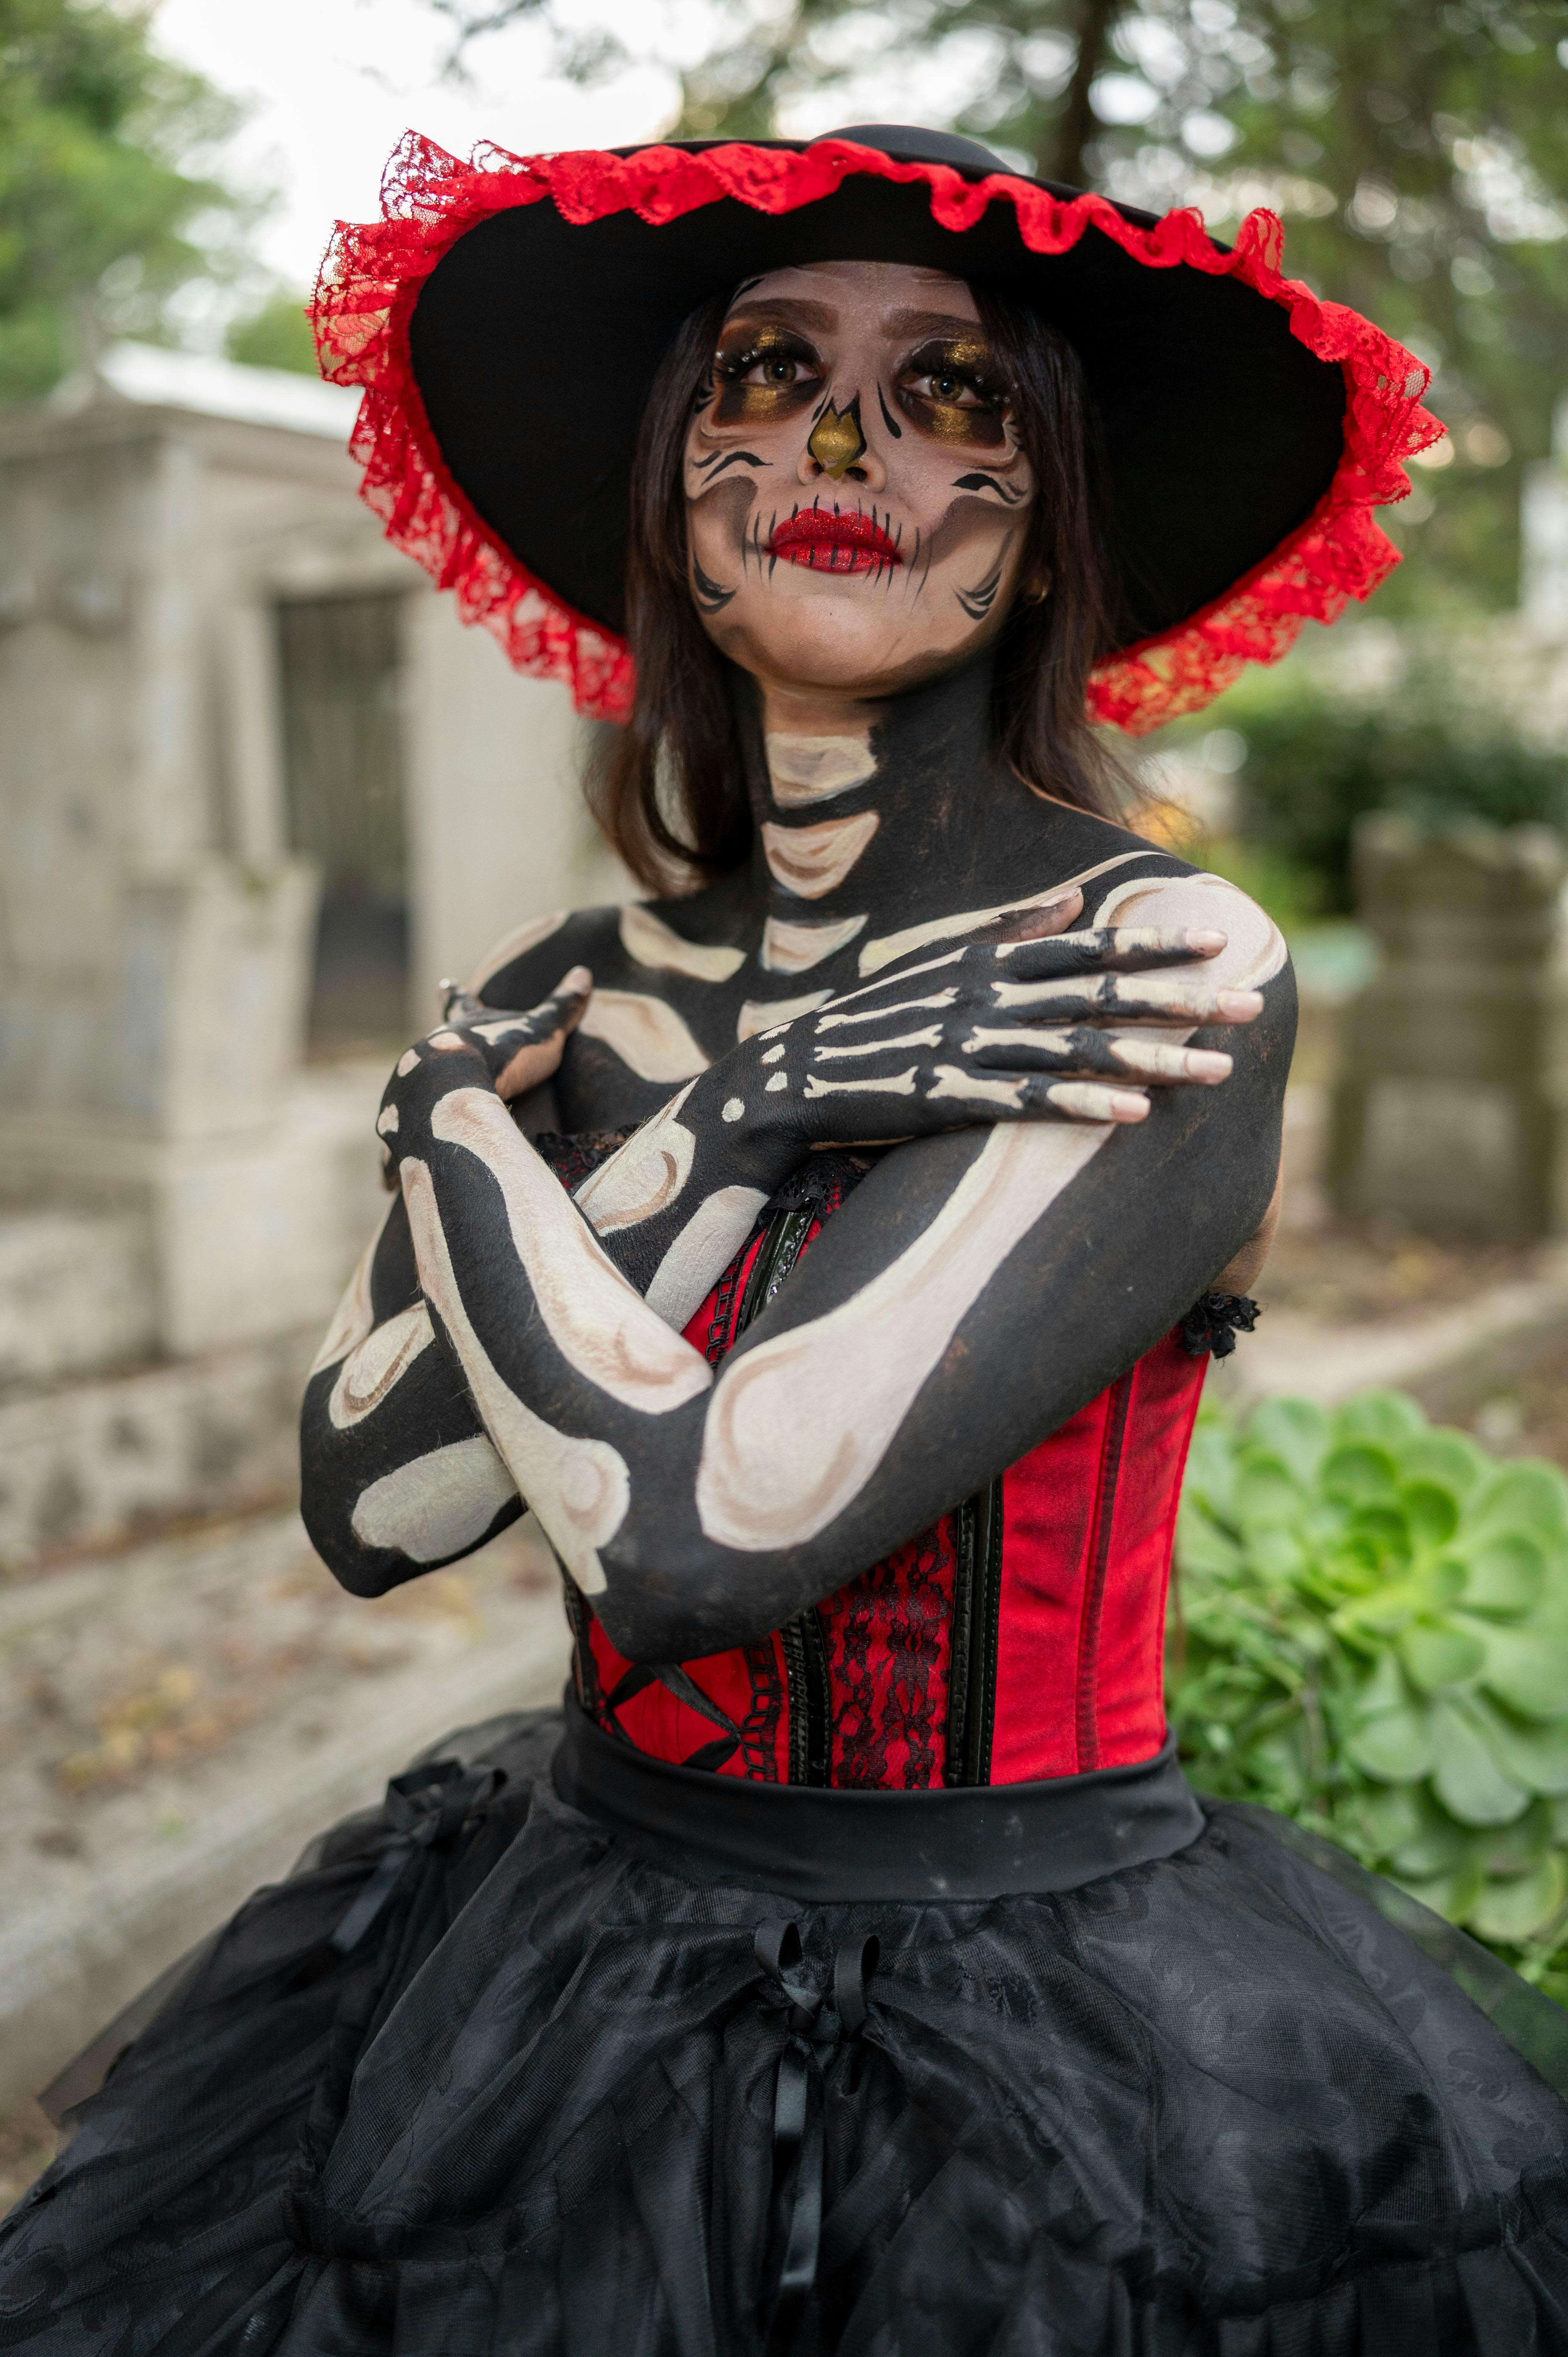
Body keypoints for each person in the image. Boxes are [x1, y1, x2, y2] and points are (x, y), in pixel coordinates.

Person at [5, 124, 1567, 2356]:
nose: (845, 441)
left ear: (1042, 540)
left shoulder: (1147, 958)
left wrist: (526, 1131)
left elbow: (697, 1541)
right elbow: (375, 1502)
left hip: (1034, 2034)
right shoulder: (582, 980)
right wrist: (643, 1119)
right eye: (769, 369)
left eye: (955, 393)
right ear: (673, 486)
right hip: (553, 1935)